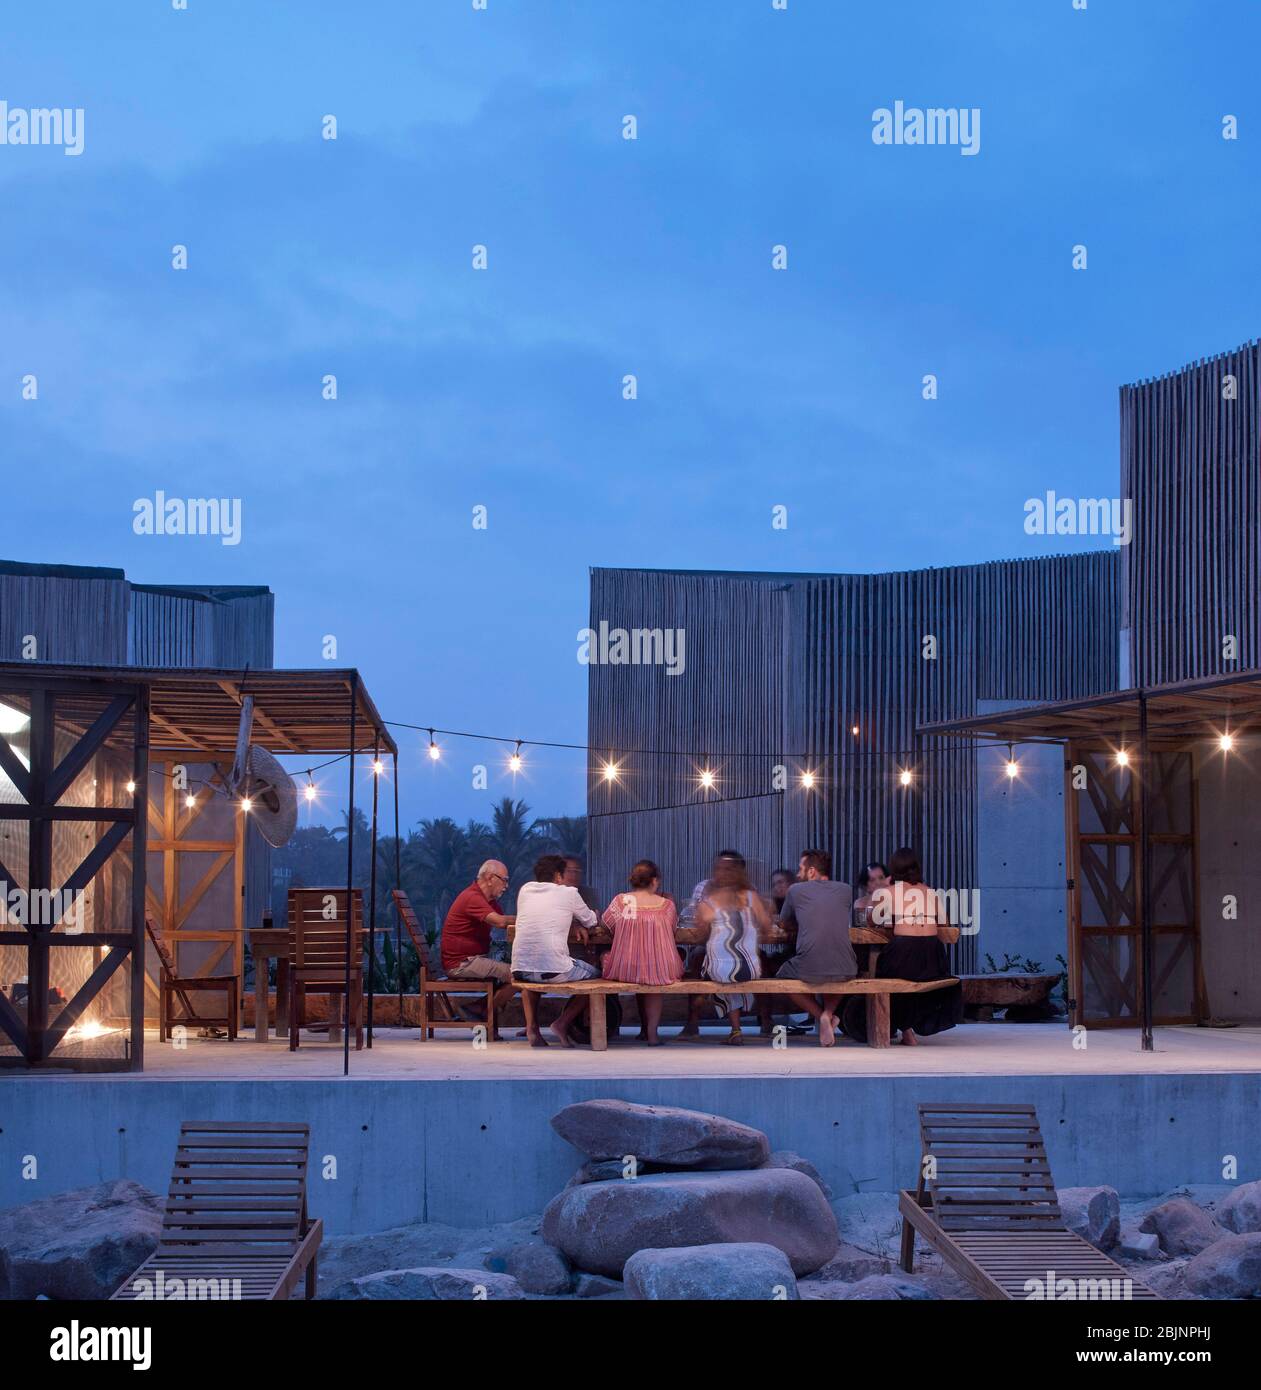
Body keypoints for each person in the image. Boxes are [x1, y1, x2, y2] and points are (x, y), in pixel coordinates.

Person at [866, 847, 963, 1045]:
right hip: (933, 953)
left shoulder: (889, 891)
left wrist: (882, 889)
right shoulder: (928, 891)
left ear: (893, 869)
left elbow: (870, 920)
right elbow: (943, 922)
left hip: (905, 950)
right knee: (915, 982)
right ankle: (909, 1027)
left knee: (882, 974)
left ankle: (904, 1028)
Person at [677, 852, 767, 1045]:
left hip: (721, 970)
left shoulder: (710, 901)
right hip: (751, 968)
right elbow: (766, 927)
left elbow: (700, 935)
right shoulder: (752, 896)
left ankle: (702, 1007)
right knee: (730, 965)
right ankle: (738, 1029)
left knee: (716, 966)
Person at [511, 853, 599, 1048]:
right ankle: (562, 1023)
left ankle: (532, 1028)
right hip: (554, 970)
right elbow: (591, 921)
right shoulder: (568, 892)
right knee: (599, 978)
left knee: (534, 972)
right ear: (559, 876)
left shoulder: (525, 890)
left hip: (520, 971)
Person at [776, 849, 856, 1046]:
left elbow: (783, 923)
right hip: (846, 965)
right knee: (836, 971)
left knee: (782, 977)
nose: (797, 874)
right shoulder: (846, 889)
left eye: (800, 869)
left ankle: (820, 1015)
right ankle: (829, 1014)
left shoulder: (795, 890)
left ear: (811, 872)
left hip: (809, 964)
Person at [600, 859, 681, 1045]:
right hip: (661, 969)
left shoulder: (621, 901)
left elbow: (605, 925)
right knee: (654, 978)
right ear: (654, 881)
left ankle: (613, 1023)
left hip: (625, 968)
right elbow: (674, 930)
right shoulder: (666, 904)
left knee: (603, 956)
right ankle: (652, 1034)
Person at [440, 860, 518, 1013]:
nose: (506, 886)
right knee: (519, 976)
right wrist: (531, 918)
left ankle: (479, 1009)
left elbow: (507, 925)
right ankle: (480, 1009)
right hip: (461, 963)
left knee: (522, 971)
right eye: (505, 880)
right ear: (490, 878)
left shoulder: (490, 902)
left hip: (475, 959)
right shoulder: (472, 897)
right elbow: (500, 922)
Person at [852, 861, 890, 926]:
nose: (878, 883)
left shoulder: (894, 899)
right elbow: (864, 925)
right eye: (872, 880)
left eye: (881, 878)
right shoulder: (860, 903)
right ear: (866, 886)